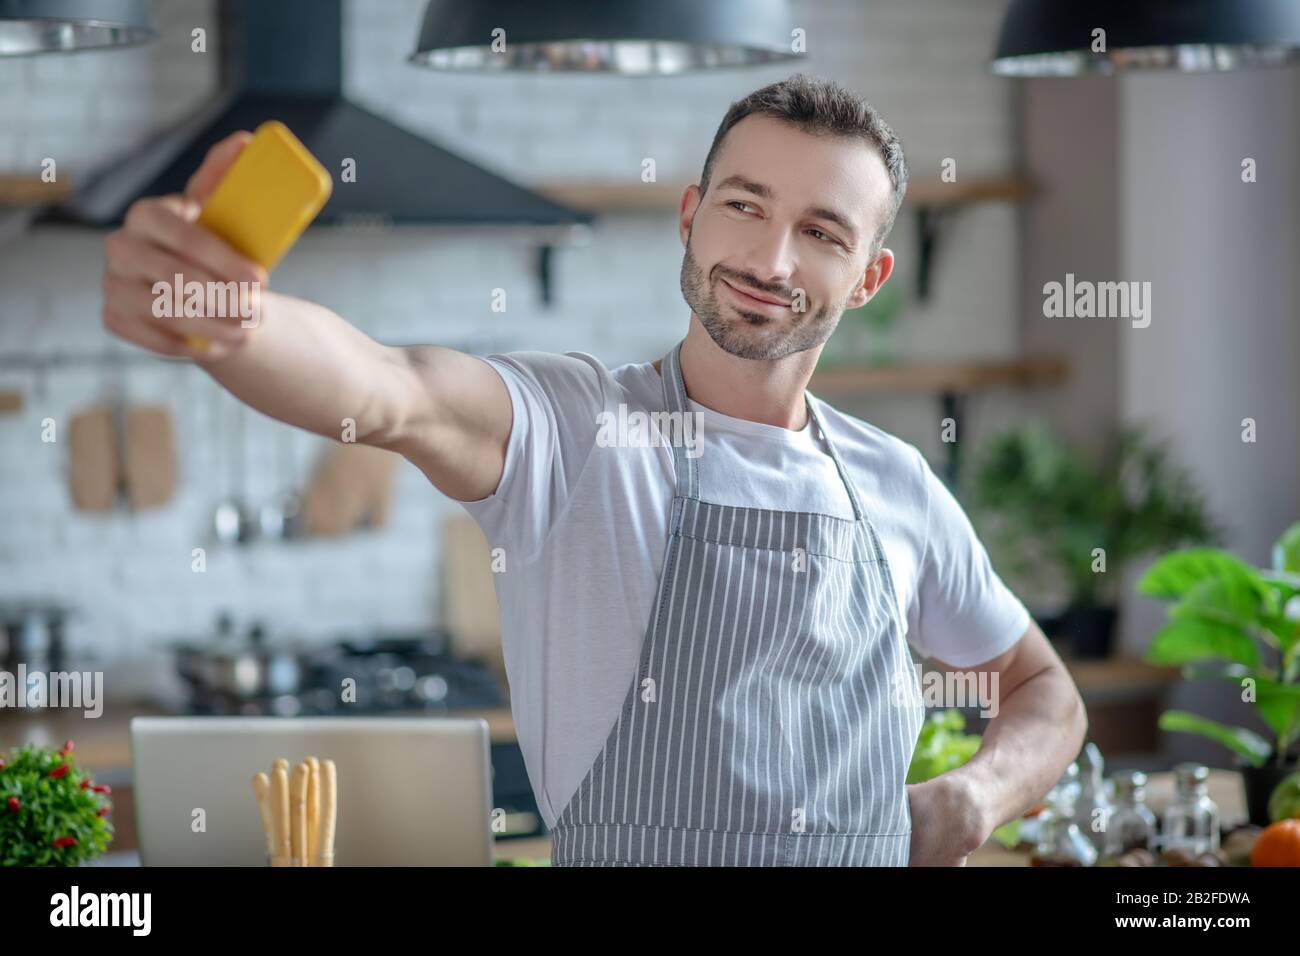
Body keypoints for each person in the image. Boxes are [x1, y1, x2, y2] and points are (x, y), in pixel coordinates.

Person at [101, 74, 1087, 866]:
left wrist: (974, 794)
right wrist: (226, 322)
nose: (770, 258)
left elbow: (1044, 689)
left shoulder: (894, 483)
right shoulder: (576, 433)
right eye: (744, 205)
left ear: (869, 272)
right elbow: (394, 386)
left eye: (822, 232)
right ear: (691, 216)